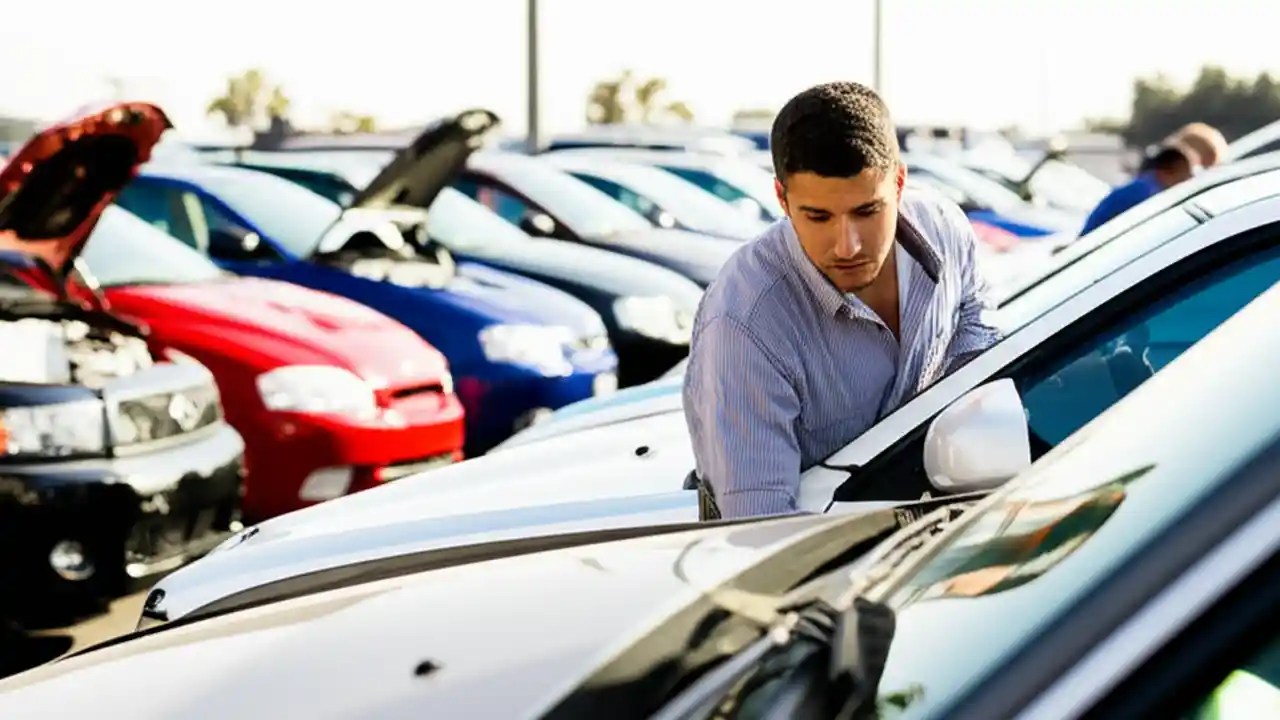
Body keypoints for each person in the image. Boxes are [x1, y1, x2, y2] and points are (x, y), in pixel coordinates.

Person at [682, 81, 1002, 521]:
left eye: (867, 211)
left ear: (900, 182)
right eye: (818, 217)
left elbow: (981, 366)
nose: (847, 245)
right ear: (782, 199)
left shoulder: (946, 233)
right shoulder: (744, 323)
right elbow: (758, 530)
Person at [1080, 142, 1199, 236]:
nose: (1187, 181)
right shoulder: (1148, 195)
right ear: (1170, 171)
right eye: (1185, 175)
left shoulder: (1141, 187)